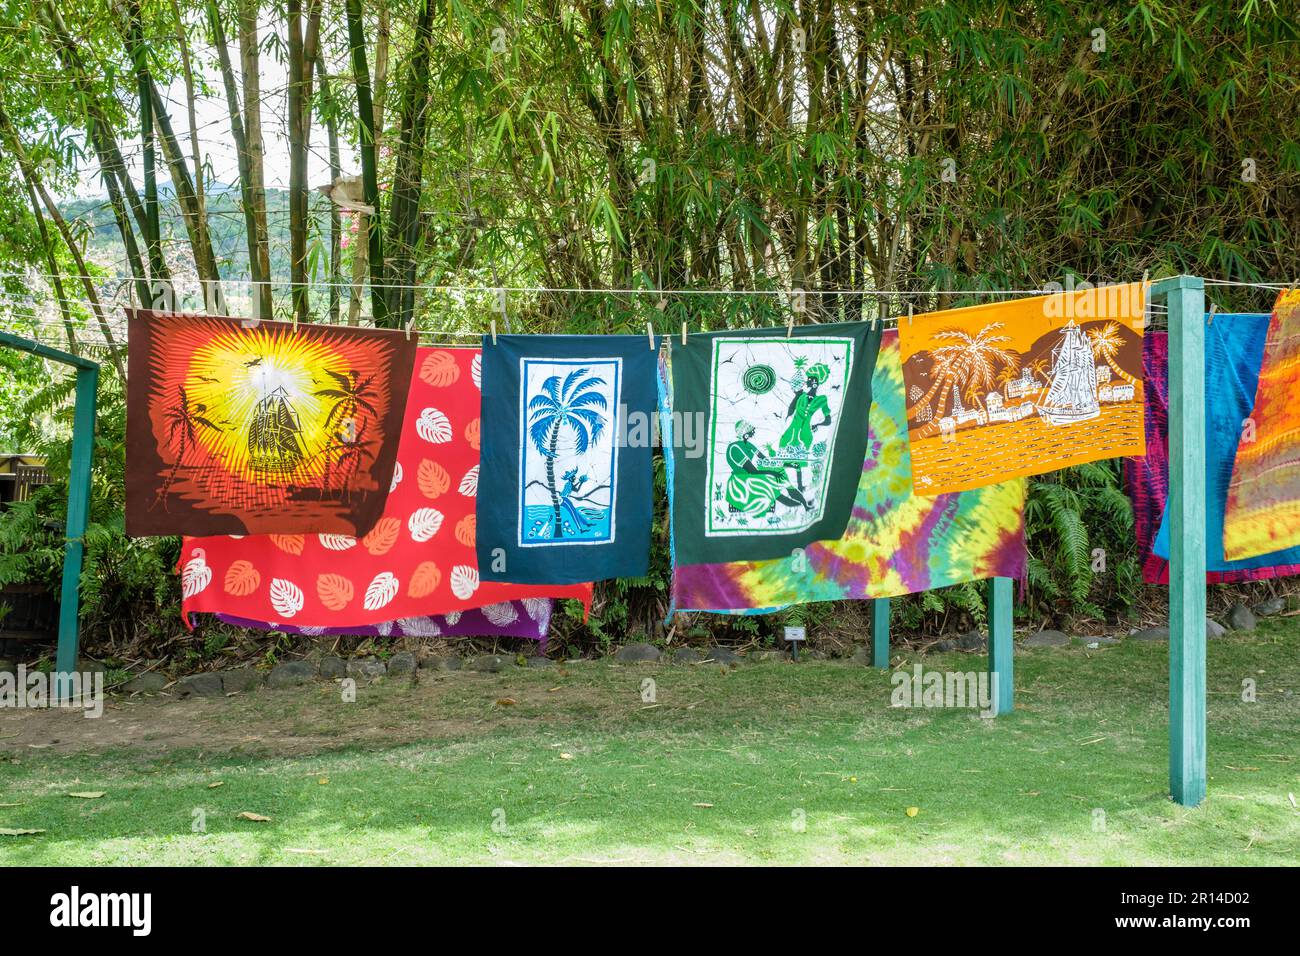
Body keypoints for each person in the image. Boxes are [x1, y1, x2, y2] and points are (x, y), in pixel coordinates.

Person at [724, 420, 811, 518]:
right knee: (769, 480)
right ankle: (788, 502)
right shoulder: (735, 448)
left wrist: (787, 464)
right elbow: (752, 471)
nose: (753, 433)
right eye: (750, 432)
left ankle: (803, 504)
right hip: (742, 480)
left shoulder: (748, 445)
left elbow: (765, 460)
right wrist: (772, 473)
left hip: (751, 473)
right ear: (745, 434)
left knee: (779, 472)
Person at [779, 362, 832, 491]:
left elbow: (828, 420)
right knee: (783, 453)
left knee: (799, 461)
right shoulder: (801, 395)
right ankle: (781, 483)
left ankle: (799, 485)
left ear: (815, 382)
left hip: (805, 433)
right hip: (792, 429)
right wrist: (788, 416)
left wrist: (817, 424)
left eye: (809, 380)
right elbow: (792, 407)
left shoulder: (822, 399)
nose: (806, 382)